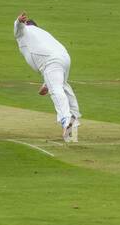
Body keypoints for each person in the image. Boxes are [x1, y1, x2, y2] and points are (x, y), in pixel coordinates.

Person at [13, 12, 80, 142]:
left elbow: (19, 28)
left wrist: (19, 21)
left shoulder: (25, 30)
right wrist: (45, 84)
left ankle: (66, 121)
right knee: (63, 87)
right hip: (64, 58)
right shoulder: (43, 33)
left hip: (49, 61)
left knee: (56, 90)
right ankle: (74, 120)